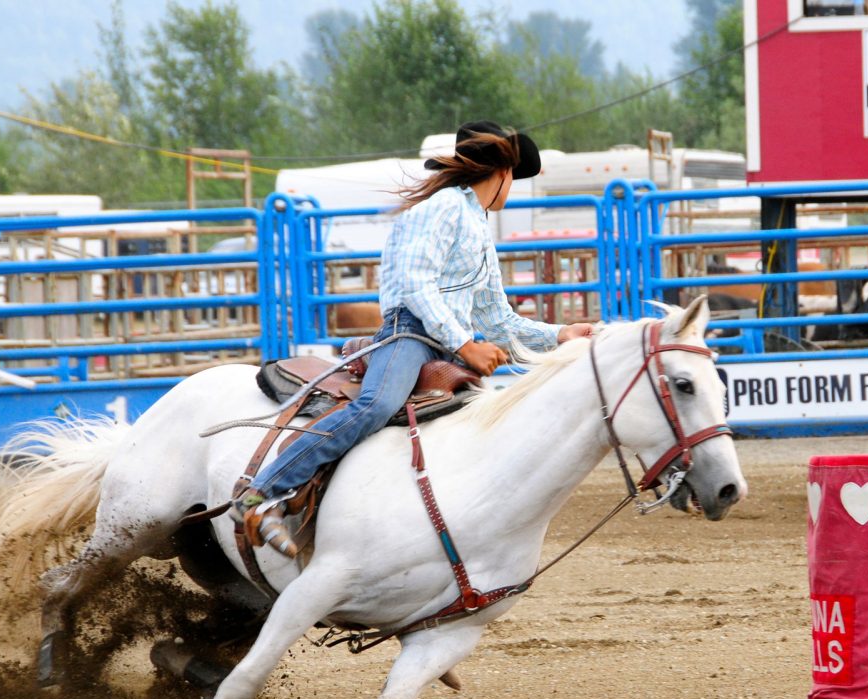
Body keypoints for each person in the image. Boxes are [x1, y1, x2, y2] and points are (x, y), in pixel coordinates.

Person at [231, 120, 595, 555]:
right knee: (377, 404)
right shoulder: (440, 210)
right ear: (501, 174)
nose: (512, 187)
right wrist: (465, 345)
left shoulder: (475, 225)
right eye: (513, 178)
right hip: (411, 333)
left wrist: (560, 335)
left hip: (443, 341)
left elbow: (497, 316)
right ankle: (263, 488)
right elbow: (416, 286)